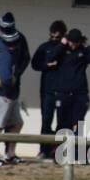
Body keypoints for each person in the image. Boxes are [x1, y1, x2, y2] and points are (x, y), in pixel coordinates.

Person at [0, 13, 29, 167]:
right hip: (0, 93)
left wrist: (16, 76)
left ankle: (10, 154)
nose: (15, 44)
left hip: (11, 91)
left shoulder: (17, 42)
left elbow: (25, 58)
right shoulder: (3, 53)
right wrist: (7, 91)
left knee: (17, 123)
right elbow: (3, 78)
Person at [50, 29, 90, 135]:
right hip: (63, 93)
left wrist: (87, 46)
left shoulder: (83, 50)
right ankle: (60, 150)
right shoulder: (63, 50)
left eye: (76, 43)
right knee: (62, 124)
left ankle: (77, 150)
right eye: (71, 42)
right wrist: (61, 44)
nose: (73, 45)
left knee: (78, 123)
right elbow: (49, 57)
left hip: (79, 94)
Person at [30, 20, 67, 156]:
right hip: (47, 90)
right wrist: (47, 65)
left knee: (62, 122)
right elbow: (34, 64)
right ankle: (43, 149)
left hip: (63, 90)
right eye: (53, 36)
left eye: (58, 37)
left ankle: (58, 150)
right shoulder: (44, 47)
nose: (54, 39)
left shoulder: (67, 48)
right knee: (46, 120)